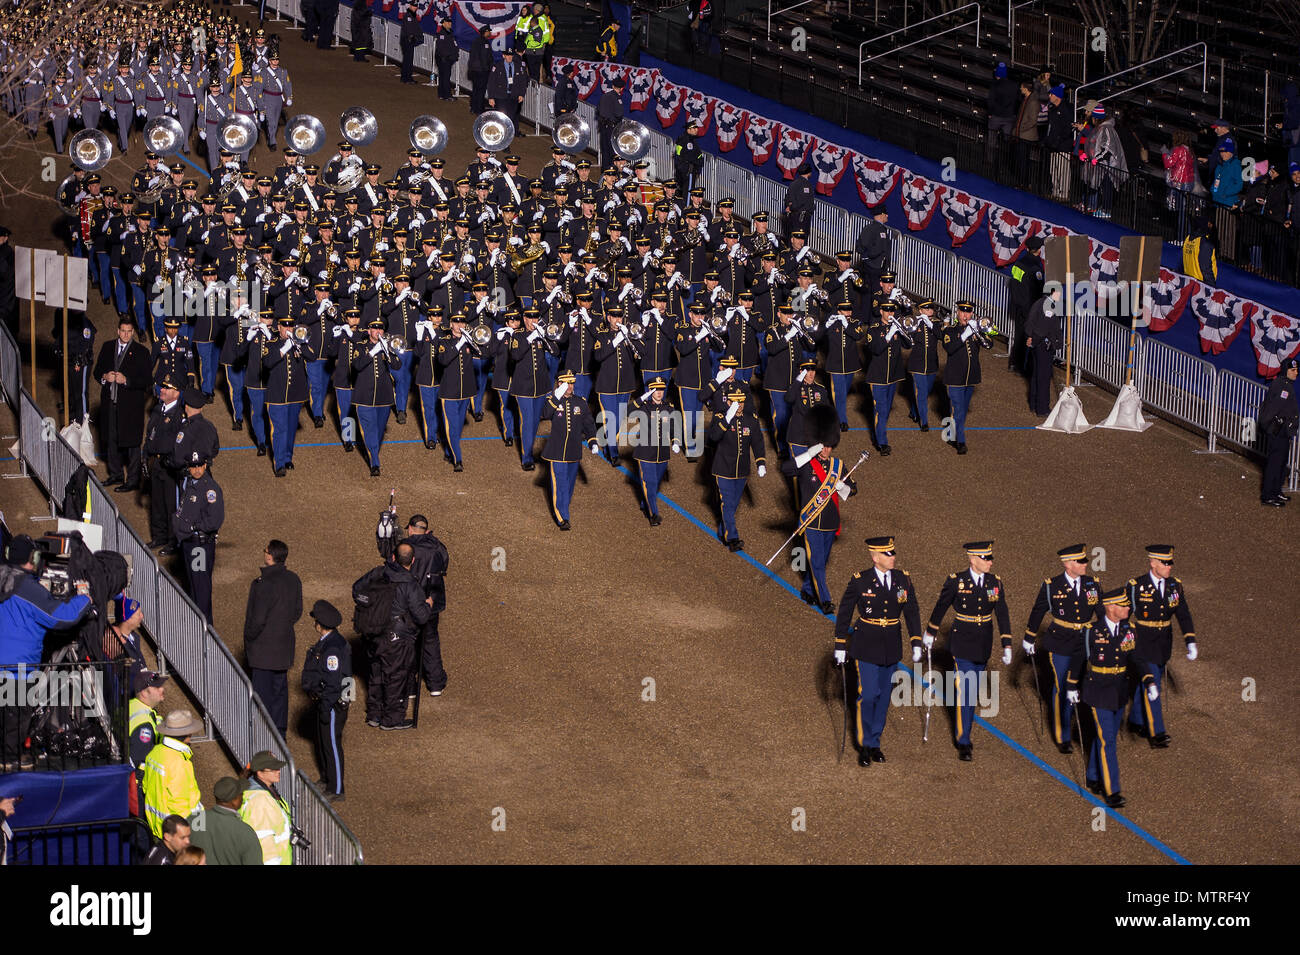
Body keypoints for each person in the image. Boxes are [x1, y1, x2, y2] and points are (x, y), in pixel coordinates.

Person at [0, 535, 93, 768]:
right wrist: (84, 599)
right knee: (15, 718)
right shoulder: (27, 588)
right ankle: (9, 761)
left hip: (7, 663)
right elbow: (61, 616)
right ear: (30, 559)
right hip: (16, 669)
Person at [833, 536, 923, 767]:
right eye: (887, 554)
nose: (892, 557)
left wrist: (915, 641)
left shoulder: (904, 579)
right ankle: (863, 745)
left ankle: (874, 743)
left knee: (883, 698)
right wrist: (840, 644)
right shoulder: (860, 581)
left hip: (891, 645)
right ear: (875, 557)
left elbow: (911, 611)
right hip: (866, 645)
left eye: (892, 553)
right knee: (869, 694)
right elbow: (844, 612)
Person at [1067, 588, 1155, 809]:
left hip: (1119, 691)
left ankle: (1094, 776)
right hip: (1097, 691)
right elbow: (1078, 659)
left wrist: (1149, 680)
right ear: (1110, 607)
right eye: (1124, 605)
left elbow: (1137, 657)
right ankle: (1112, 790)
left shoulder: (1129, 630)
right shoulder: (1091, 631)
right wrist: (1071, 686)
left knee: (1106, 736)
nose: (1128, 608)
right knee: (1109, 741)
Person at [925, 542, 1012, 761]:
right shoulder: (957, 581)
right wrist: (930, 631)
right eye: (986, 558)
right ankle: (963, 740)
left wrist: (1007, 643)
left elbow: (1002, 613)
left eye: (990, 558)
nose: (990, 562)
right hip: (962, 641)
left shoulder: (995, 583)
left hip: (983, 642)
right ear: (973, 560)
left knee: (972, 692)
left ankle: (964, 732)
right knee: (966, 690)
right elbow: (941, 605)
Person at [1023, 544, 1101, 755]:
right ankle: (1063, 735)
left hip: (1085, 642)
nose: (1086, 564)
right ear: (1068, 564)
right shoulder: (1052, 586)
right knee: (1063, 687)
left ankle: (1084, 726)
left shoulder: (1092, 584)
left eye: (1085, 560)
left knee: (1083, 685)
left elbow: (1101, 613)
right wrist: (1030, 637)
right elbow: (1038, 611)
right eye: (1080, 561)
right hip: (1060, 642)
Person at [780, 407, 856, 613]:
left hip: (830, 522)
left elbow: (853, 490)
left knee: (819, 561)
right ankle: (825, 600)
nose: (825, 451)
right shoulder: (806, 464)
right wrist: (807, 454)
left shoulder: (838, 466)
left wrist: (843, 488)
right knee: (818, 564)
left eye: (829, 447)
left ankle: (807, 589)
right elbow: (786, 469)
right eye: (822, 446)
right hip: (811, 521)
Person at [352, 542, 432, 729]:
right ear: (412, 561)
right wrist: (427, 604)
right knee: (396, 677)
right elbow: (421, 616)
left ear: (393, 557)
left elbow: (357, 590)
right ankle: (392, 719)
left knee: (376, 673)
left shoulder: (377, 573)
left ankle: (374, 714)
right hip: (397, 639)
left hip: (373, 633)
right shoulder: (410, 584)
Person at [1125, 545, 1197, 747]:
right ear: (1153, 563)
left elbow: (1183, 614)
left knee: (1146, 681)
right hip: (1142, 643)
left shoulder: (1175, 586)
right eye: (1164, 563)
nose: (1169, 567)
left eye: (1170, 563)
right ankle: (1156, 733)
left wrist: (1190, 639)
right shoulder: (1136, 586)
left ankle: (1137, 720)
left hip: (1163, 643)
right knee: (1153, 685)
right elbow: (1122, 614)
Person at [243, 539, 303, 737]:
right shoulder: (293, 579)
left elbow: (257, 620)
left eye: (265, 550)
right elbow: (297, 611)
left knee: (262, 698)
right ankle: (280, 736)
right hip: (283, 648)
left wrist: (250, 638)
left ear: (270, 556)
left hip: (262, 651)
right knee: (279, 695)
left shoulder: (264, 584)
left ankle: (262, 737)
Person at [92, 317, 151, 492]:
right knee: (111, 440)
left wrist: (127, 381)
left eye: (129, 331)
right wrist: (104, 377)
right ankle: (116, 474)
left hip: (130, 407)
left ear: (132, 332)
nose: (125, 334)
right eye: (122, 331)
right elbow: (96, 372)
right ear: (118, 331)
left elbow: (147, 380)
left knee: (132, 444)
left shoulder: (141, 352)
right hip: (110, 403)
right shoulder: (108, 347)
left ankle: (133, 480)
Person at [302, 600, 351, 801]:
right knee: (324, 743)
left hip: (331, 704)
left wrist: (326, 705)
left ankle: (337, 788)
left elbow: (334, 682)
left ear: (320, 624)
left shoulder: (332, 649)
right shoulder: (330, 643)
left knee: (331, 744)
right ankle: (327, 778)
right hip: (327, 701)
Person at [708, 385, 767, 552]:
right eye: (735, 401)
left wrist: (760, 462)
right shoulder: (721, 417)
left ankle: (723, 531)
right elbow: (714, 437)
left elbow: (757, 442)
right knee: (727, 504)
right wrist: (727, 418)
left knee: (732, 506)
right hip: (723, 469)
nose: (739, 404)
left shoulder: (751, 419)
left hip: (741, 470)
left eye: (741, 401)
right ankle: (732, 538)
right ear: (729, 402)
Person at [541, 370, 600, 529]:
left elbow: (588, 423)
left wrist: (593, 440)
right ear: (560, 384)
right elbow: (545, 414)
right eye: (566, 383)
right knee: (560, 484)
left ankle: (563, 507)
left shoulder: (580, 402)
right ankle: (562, 517)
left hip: (574, 451)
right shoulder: (552, 400)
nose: (570, 387)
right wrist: (556, 395)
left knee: (569, 485)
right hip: (556, 451)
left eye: (572, 383)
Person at [172, 450, 224, 624]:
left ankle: (204, 627)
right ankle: (198, 623)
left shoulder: (210, 488)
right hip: (189, 543)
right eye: (193, 466)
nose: (197, 469)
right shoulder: (188, 482)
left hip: (199, 546)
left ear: (205, 465)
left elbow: (215, 520)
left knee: (200, 587)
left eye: (199, 465)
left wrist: (193, 527)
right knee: (193, 584)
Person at [141, 708, 204, 839]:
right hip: (178, 832)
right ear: (188, 735)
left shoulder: (155, 752)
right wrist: (190, 834)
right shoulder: (179, 762)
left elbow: (146, 786)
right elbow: (179, 804)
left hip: (157, 827)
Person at [940, 300, 987, 455]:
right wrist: (966, 334)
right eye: (963, 312)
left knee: (962, 410)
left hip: (971, 377)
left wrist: (978, 331)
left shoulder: (976, 329)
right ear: (958, 313)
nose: (965, 315)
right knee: (958, 409)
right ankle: (960, 441)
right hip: (955, 377)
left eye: (968, 312)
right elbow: (950, 348)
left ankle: (949, 432)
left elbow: (989, 344)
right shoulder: (950, 330)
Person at [189, 777, 264, 865]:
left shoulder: (196, 818)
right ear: (234, 800)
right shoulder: (244, 831)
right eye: (241, 794)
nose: (243, 797)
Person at [239, 751, 293, 865]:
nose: (278, 771)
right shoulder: (258, 802)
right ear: (260, 772)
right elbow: (263, 842)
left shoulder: (266, 790)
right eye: (273, 769)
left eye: (278, 767)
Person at [1258, 357, 1299, 506]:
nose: (1296, 373)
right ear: (1285, 371)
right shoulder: (1282, 387)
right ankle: (1269, 494)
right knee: (1275, 464)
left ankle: (1276, 490)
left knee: (1281, 463)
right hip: (1278, 431)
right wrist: (1269, 427)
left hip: (1283, 431)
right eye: (1293, 370)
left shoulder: (1286, 385)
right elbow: (1272, 409)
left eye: (1296, 370)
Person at [128, 669, 168, 814]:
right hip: (138, 787)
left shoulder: (132, 706)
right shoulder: (144, 725)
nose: (162, 689)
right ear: (144, 693)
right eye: (157, 687)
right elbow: (140, 761)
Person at [1007, 236, 1044, 374]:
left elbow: (1015, 284)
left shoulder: (1018, 263)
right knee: (1030, 337)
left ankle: (1014, 363)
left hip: (1018, 305)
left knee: (1019, 335)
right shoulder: (1035, 266)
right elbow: (1038, 289)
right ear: (1039, 250)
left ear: (1027, 248)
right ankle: (1025, 366)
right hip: (1030, 307)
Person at [1025, 285, 1061, 416]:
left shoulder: (1040, 303)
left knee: (1036, 375)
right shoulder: (1048, 306)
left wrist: (1031, 338)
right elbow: (1043, 328)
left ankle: (1034, 404)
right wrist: (1034, 339)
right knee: (1044, 377)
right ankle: (1042, 408)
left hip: (1037, 345)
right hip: (1043, 345)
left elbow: (1030, 323)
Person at [486, 48, 527, 129]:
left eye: (511, 55)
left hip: (513, 96)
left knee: (511, 117)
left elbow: (522, 81)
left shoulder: (518, 66)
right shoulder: (497, 66)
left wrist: (521, 94)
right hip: (501, 96)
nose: (509, 57)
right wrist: (491, 97)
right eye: (507, 55)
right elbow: (491, 82)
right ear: (503, 56)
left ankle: (508, 133)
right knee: (501, 116)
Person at [597, 76, 625, 168]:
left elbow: (598, 111)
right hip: (612, 128)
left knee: (605, 152)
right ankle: (612, 172)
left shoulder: (604, 96)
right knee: (613, 152)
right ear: (621, 88)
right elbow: (619, 113)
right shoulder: (617, 98)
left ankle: (605, 173)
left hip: (603, 127)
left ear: (613, 86)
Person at [783, 162, 814, 239]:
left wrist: (789, 206)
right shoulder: (806, 185)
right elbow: (803, 201)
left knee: (792, 237)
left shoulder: (794, 183)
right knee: (801, 238)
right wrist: (792, 207)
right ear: (808, 173)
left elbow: (788, 197)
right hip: (801, 216)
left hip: (793, 215)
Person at [674, 121, 705, 196]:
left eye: (696, 128)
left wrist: (698, 167)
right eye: (694, 128)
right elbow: (680, 156)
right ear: (688, 130)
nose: (696, 130)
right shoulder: (685, 141)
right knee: (687, 192)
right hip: (687, 171)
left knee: (687, 191)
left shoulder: (692, 141)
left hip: (690, 170)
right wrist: (684, 169)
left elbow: (697, 156)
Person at [468, 26, 494, 115]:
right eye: (489, 32)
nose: (490, 33)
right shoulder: (483, 42)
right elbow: (484, 57)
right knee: (480, 90)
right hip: (481, 70)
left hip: (475, 70)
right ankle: (478, 109)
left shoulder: (476, 41)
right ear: (485, 32)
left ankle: (473, 107)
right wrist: (487, 68)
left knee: (475, 89)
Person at [434, 16, 458, 100]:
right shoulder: (442, 34)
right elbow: (440, 48)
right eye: (448, 22)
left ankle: (442, 94)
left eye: (450, 22)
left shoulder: (449, 33)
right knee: (445, 77)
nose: (450, 24)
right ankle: (447, 95)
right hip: (444, 59)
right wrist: (446, 56)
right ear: (443, 23)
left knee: (443, 76)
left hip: (447, 58)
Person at [399, 7, 424, 85]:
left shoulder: (411, 15)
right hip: (407, 40)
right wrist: (412, 36)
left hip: (407, 40)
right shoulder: (409, 16)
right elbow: (409, 28)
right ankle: (407, 77)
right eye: (414, 6)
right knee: (408, 60)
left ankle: (405, 77)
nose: (416, 8)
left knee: (407, 59)